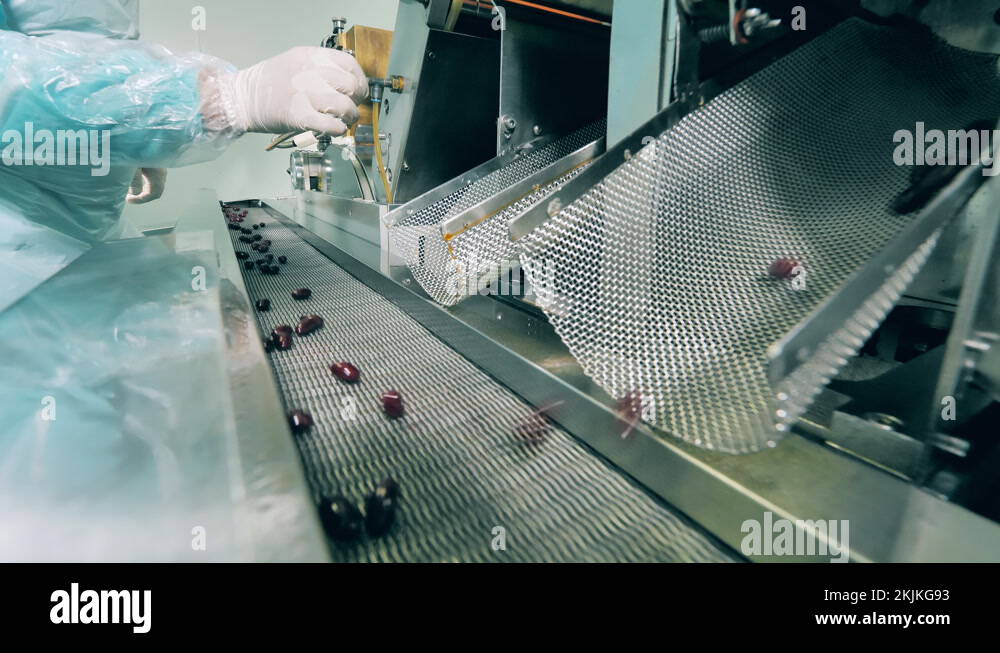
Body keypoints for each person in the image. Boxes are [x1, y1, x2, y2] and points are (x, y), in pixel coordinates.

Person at [0, 0, 368, 311]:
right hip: (19, 267)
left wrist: (126, 142)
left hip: (84, 237)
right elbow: (15, 82)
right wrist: (220, 99)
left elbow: (85, 51)